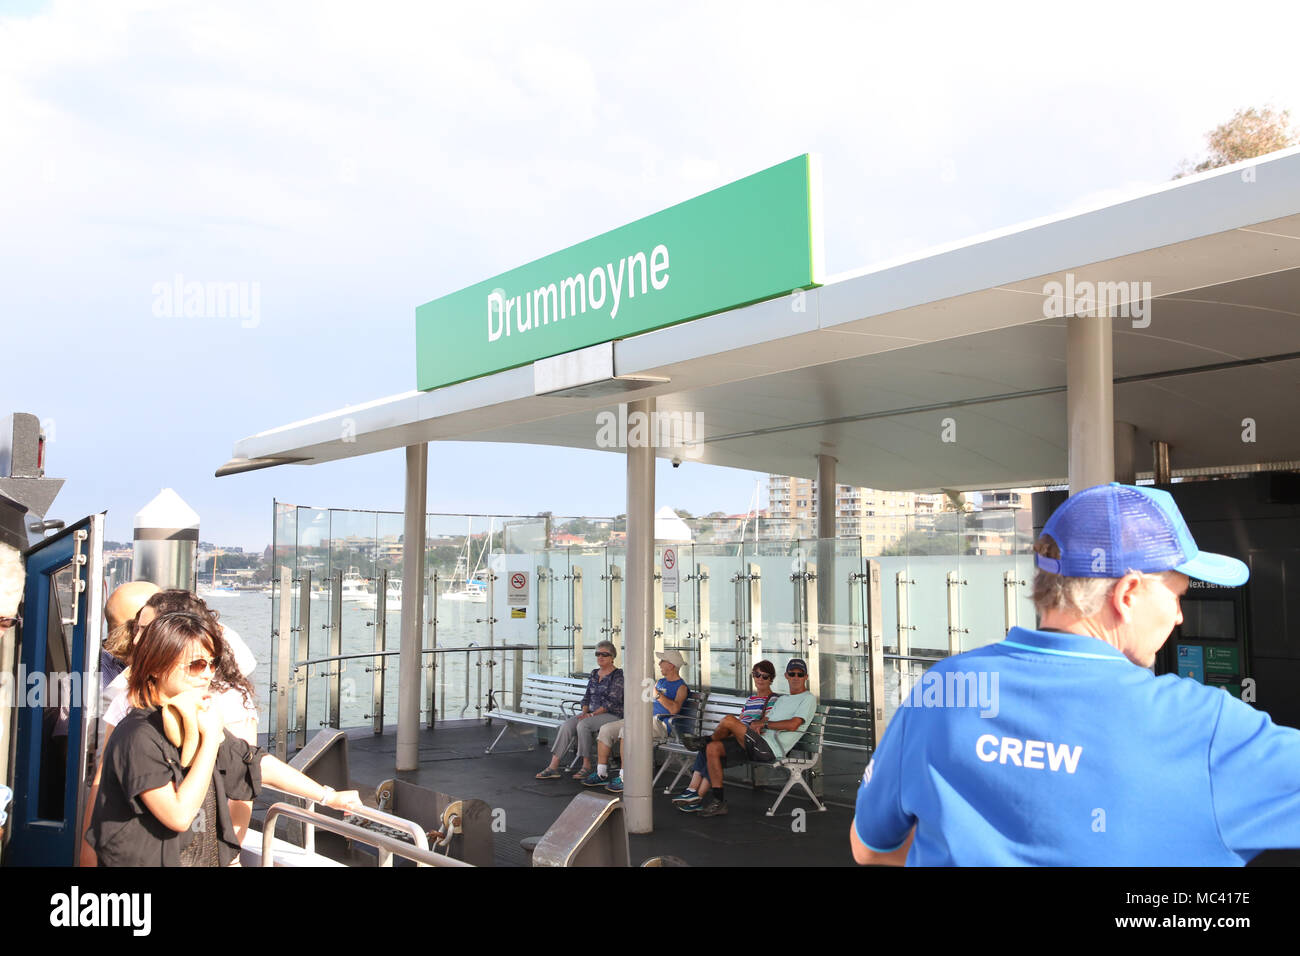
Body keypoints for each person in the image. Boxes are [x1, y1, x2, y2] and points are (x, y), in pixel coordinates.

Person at [851, 482, 1300, 866]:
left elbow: (871, 847)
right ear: (1127, 593)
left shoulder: (944, 689)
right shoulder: (1206, 728)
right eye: (1177, 596)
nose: (1179, 617)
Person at [87, 610, 361, 866]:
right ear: (157, 666)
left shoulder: (194, 720)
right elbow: (178, 816)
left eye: (212, 663)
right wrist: (209, 741)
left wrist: (329, 797)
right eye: (195, 665)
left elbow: (252, 761)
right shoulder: (138, 734)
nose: (206, 674)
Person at [83, 589, 259, 866]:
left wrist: (327, 795)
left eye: (147, 629)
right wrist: (88, 850)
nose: (139, 638)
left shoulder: (224, 701)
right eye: (136, 628)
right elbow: (104, 780)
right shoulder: (133, 717)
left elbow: (246, 769)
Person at [692, 658, 816, 818]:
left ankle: (705, 740)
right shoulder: (783, 699)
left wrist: (764, 725)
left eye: (800, 674)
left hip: (771, 748)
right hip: (758, 741)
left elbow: (793, 724)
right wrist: (758, 723)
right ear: (786, 675)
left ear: (806, 677)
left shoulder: (808, 698)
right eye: (792, 673)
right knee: (713, 748)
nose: (796, 677)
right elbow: (766, 719)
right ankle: (718, 801)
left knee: (729, 720)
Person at [674, 659, 778, 810]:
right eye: (756, 674)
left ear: (771, 679)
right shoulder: (751, 700)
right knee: (711, 748)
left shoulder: (773, 699)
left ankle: (704, 741)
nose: (760, 679)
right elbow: (741, 721)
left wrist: (745, 726)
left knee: (725, 724)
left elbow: (765, 722)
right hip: (737, 738)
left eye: (765, 676)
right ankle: (695, 796)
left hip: (752, 742)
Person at [587, 649, 690, 792]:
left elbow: (674, 710)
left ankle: (625, 777)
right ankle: (601, 772)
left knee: (626, 731)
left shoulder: (681, 687)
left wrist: (657, 695)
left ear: (671, 665)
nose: (659, 663)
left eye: (663, 661)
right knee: (606, 729)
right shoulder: (660, 682)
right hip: (642, 718)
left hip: (659, 723)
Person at [534, 640, 624, 780]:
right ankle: (553, 766)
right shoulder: (594, 673)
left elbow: (611, 702)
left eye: (604, 654)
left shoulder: (618, 675)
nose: (600, 657)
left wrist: (591, 715)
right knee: (567, 726)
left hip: (611, 715)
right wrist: (584, 711)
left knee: (583, 725)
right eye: (597, 654)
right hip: (591, 714)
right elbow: (587, 695)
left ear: (612, 657)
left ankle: (586, 765)